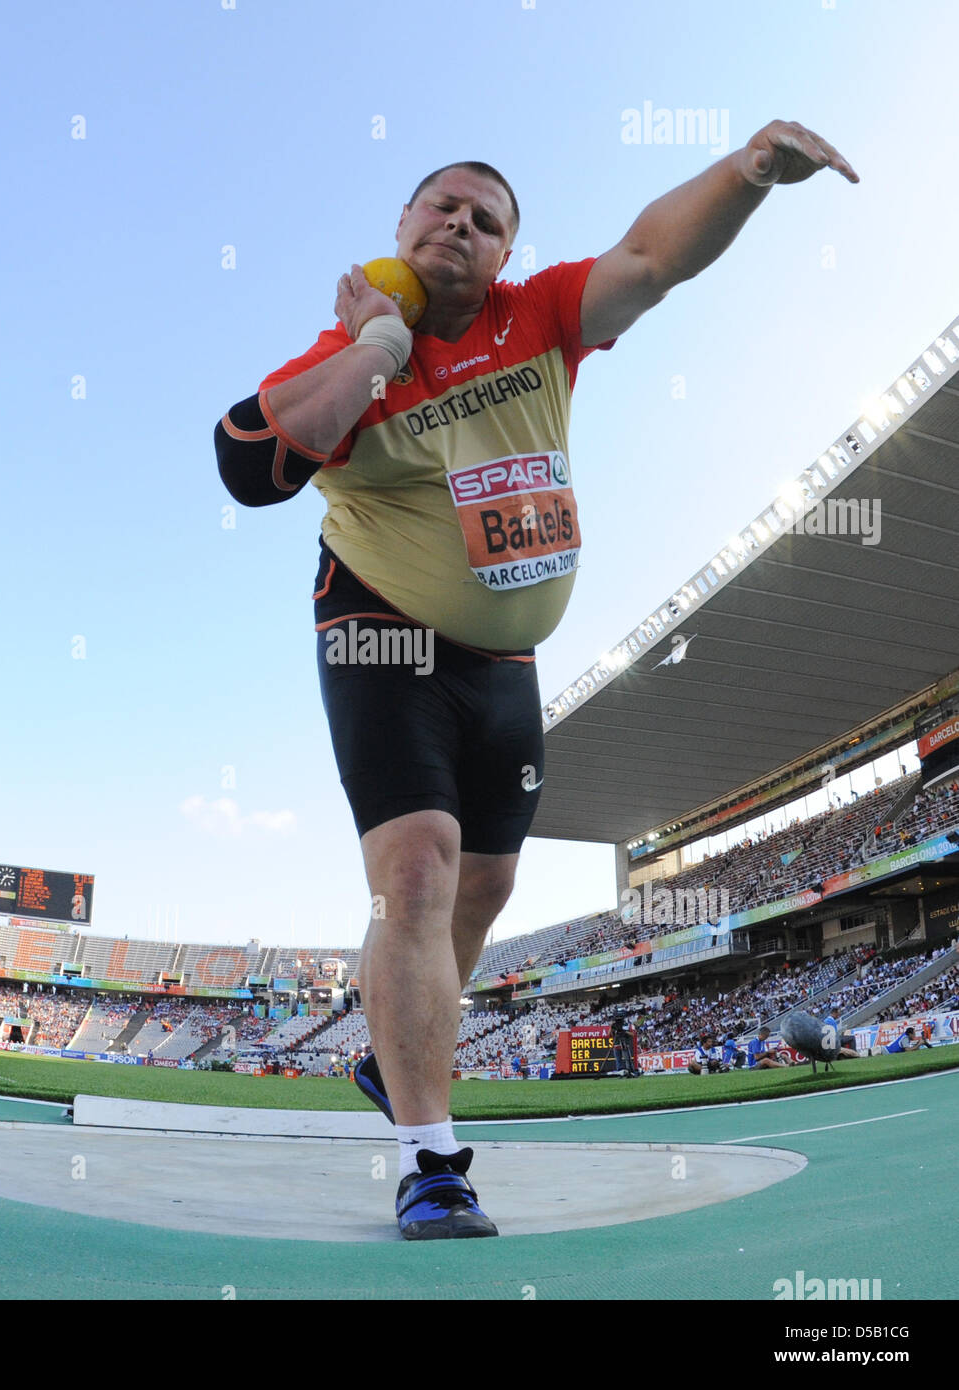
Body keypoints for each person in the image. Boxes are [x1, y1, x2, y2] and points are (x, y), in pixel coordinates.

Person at [215, 124, 857, 1240]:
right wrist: (377, 347)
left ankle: (389, 1054)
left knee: (486, 888)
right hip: (383, 634)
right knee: (418, 871)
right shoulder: (341, 354)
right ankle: (430, 1162)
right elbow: (248, 467)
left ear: (506, 253)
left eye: (487, 220)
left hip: (507, 662)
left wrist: (749, 172)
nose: (460, 225)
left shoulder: (541, 316)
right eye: (442, 207)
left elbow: (650, 258)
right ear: (402, 225)